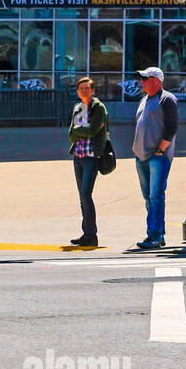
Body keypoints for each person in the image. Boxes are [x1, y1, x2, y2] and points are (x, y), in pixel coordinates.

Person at [132, 67, 179, 250]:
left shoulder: (166, 98)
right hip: (142, 155)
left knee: (156, 196)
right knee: (148, 197)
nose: (142, 81)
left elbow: (172, 126)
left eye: (146, 78)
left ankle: (155, 235)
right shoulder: (144, 99)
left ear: (157, 80)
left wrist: (161, 150)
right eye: (142, 79)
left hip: (157, 156)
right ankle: (157, 233)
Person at [67, 76, 109, 247]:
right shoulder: (78, 108)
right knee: (81, 197)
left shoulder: (98, 108)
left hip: (92, 156)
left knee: (86, 195)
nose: (83, 91)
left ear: (93, 91)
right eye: (81, 88)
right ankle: (86, 234)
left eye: (87, 88)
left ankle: (92, 236)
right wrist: (80, 130)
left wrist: (80, 130)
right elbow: (71, 133)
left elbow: (92, 131)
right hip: (78, 156)